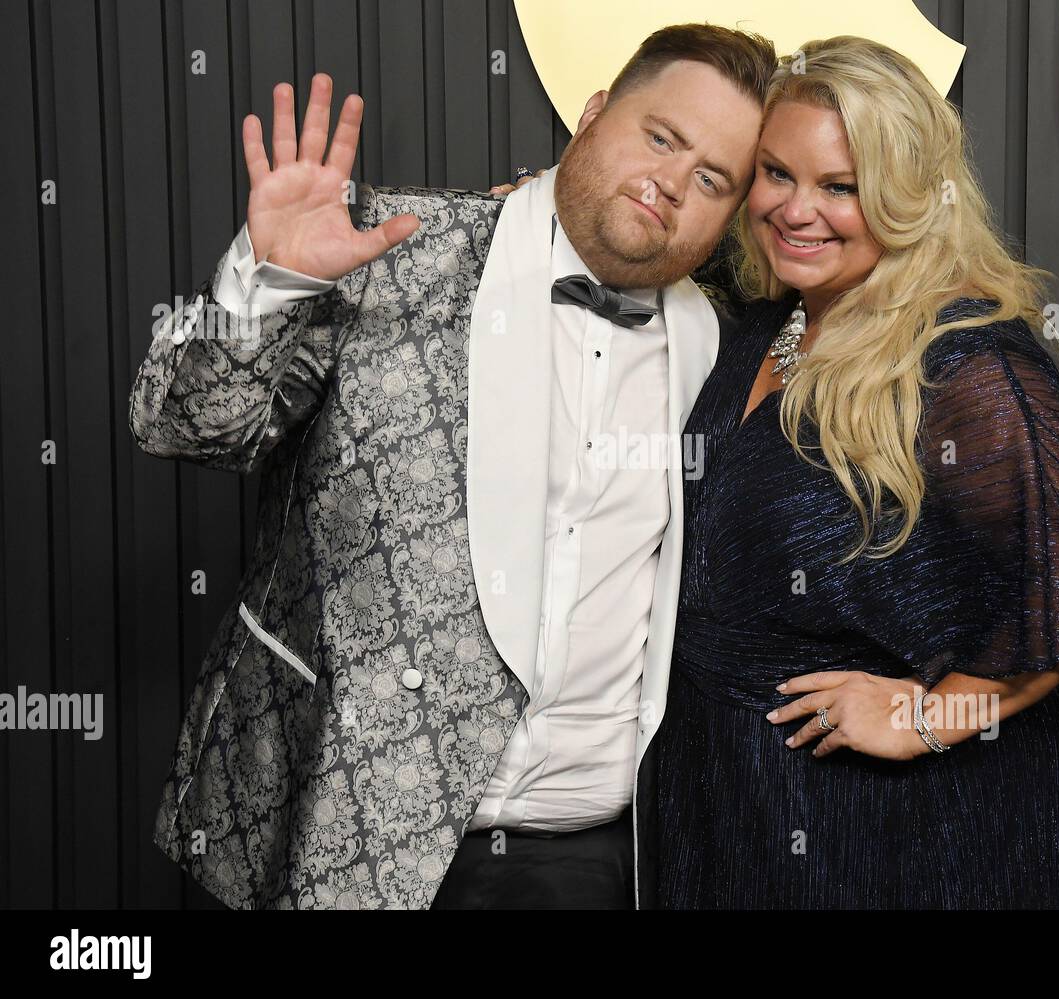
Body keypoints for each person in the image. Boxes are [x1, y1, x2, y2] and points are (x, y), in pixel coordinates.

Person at [128, 23, 775, 909]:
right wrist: (265, 285)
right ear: (592, 115)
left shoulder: (726, 348)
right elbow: (183, 426)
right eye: (660, 137)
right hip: (348, 823)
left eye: (712, 179)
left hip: (589, 849)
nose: (670, 182)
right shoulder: (391, 249)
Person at [645, 36, 1059, 908]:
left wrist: (930, 717)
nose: (796, 209)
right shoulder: (762, 324)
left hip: (891, 830)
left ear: (907, 196)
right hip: (726, 798)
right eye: (776, 173)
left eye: (841, 187)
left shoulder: (962, 360)